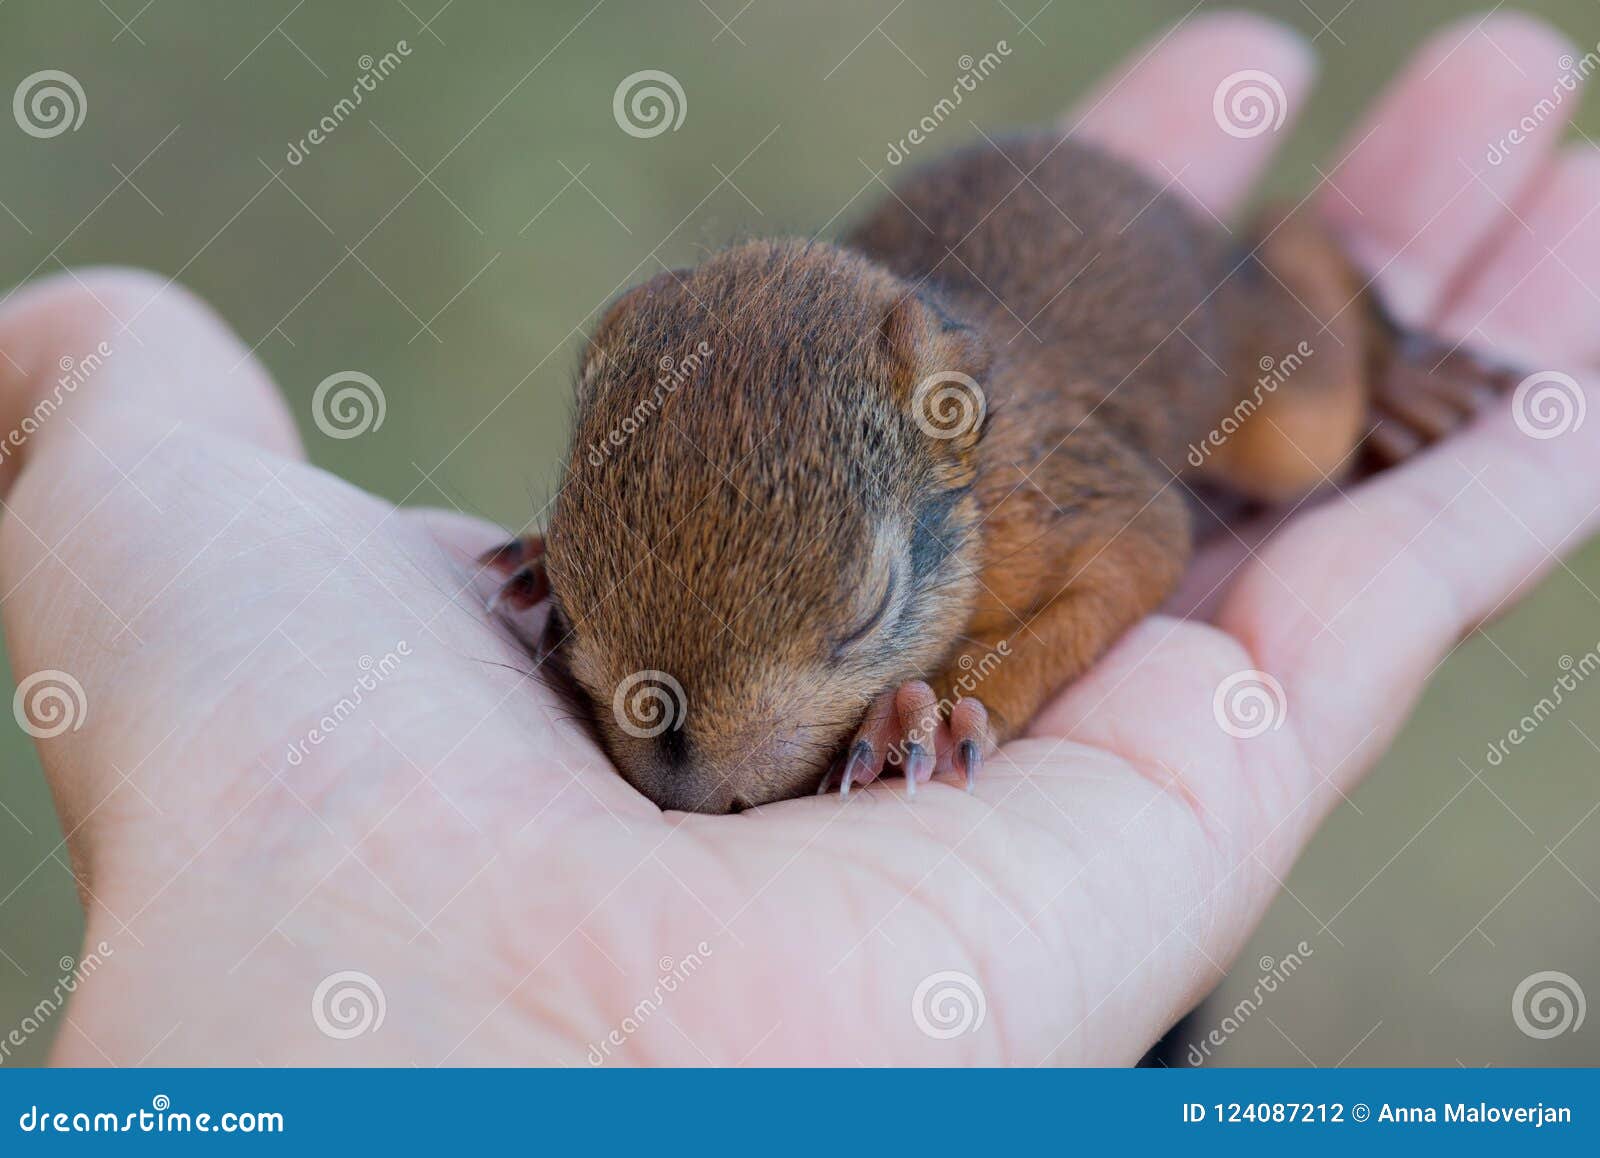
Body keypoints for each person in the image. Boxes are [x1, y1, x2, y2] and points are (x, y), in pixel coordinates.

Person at [3, 11, 1595, 1064]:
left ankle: (1338, 288)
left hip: (1163, 283)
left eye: (848, 622)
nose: (690, 779)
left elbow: (1141, 543)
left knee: (1298, 438)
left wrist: (983, 686)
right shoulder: (661, 420)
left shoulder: (1036, 486)